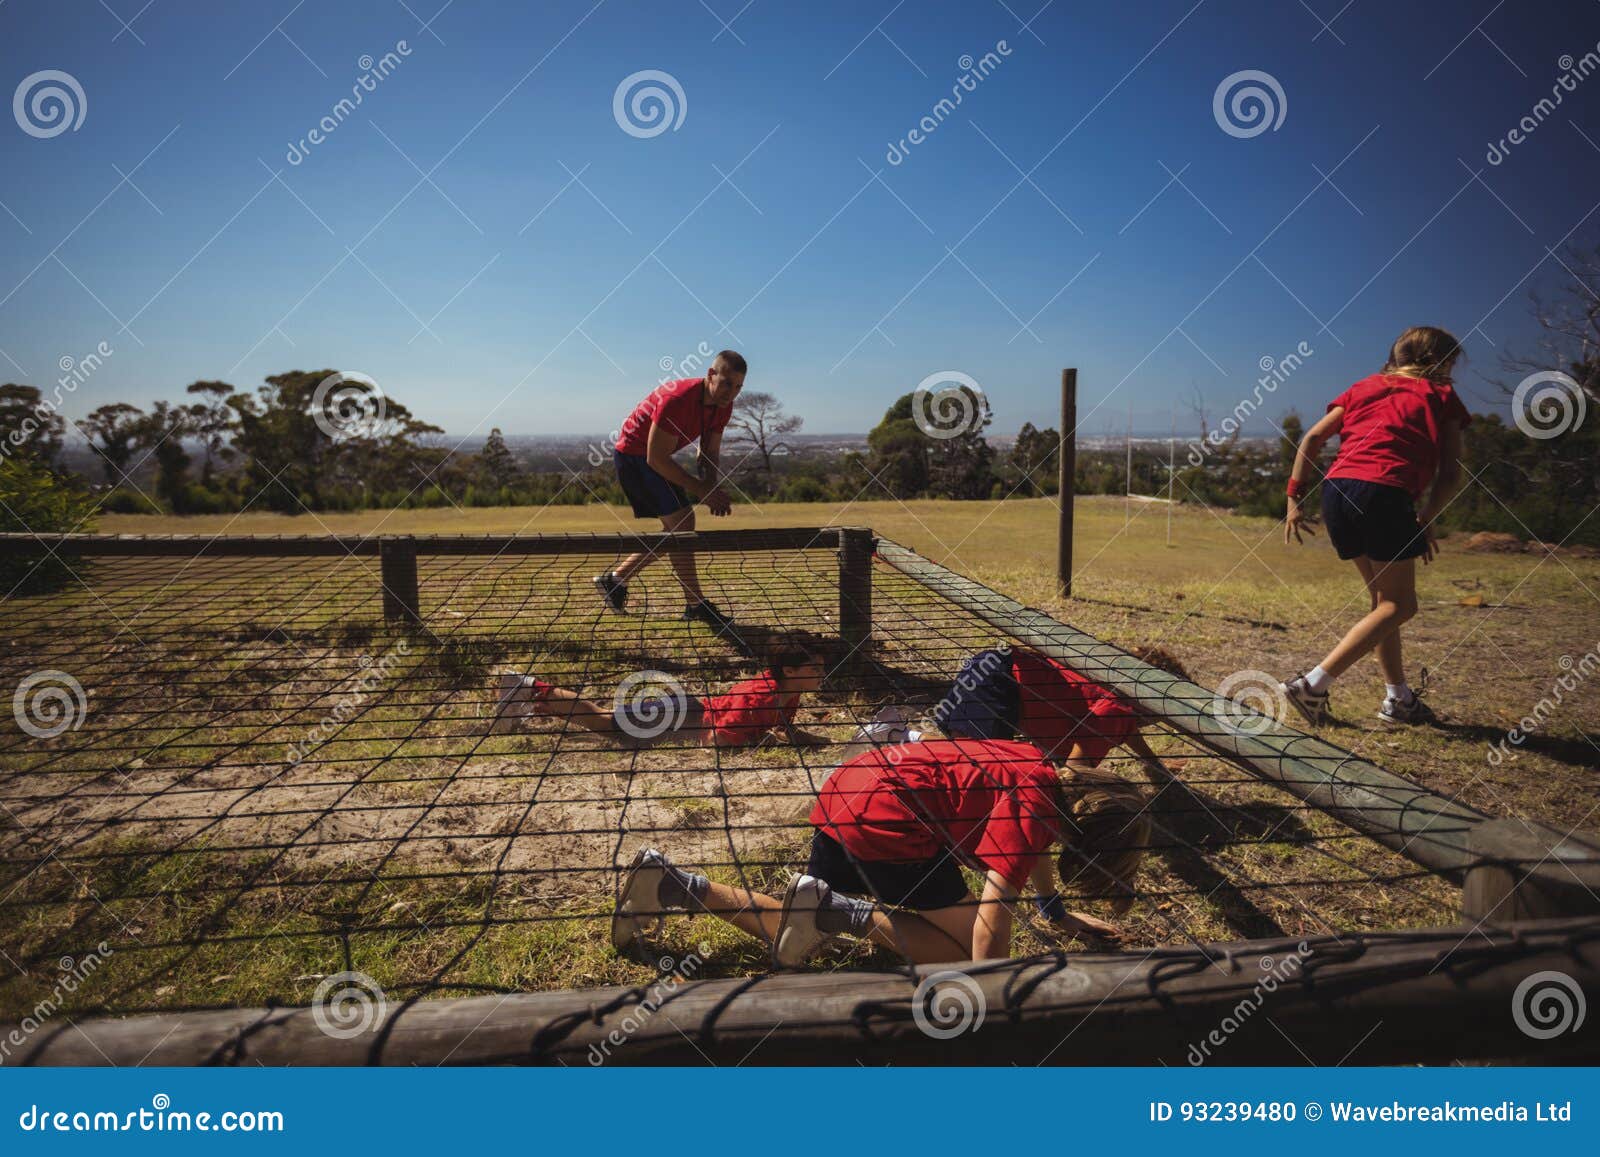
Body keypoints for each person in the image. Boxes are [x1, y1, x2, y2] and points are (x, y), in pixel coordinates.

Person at [611, 738, 1150, 966]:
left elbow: (1034, 854)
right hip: (890, 820)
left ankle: (671, 884)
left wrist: (1054, 912)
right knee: (962, 956)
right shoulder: (1035, 809)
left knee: (796, 919)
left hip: (852, 789)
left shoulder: (1038, 766)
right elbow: (990, 927)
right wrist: (996, 1005)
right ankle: (838, 912)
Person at [1281, 326, 1469, 725]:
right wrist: (1425, 519)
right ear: (1440, 361)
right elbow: (1450, 474)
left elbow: (1313, 437)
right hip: (1383, 494)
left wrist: (1293, 496)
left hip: (1337, 490)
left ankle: (1398, 699)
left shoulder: (1363, 386)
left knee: (1383, 604)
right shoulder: (1442, 397)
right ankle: (1311, 685)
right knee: (1400, 605)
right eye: (1451, 361)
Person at [595, 351, 745, 634]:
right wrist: (702, 491)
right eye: (727, 383)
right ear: (711, 375)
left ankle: (614, 581)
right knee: (683, 525)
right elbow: (656, 458)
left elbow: (710, 451)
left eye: (738, 387)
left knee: (676, 529)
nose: (731, 393)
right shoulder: (677, 399)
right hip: (635, 457)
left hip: (653, 458)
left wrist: (710, 485)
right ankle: (696, 605)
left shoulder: (723, 406)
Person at [492, 650, 830, 747]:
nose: (821, 675)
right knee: (608, 723)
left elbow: (782, 726)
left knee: (609, 720)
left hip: (685, 710)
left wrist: (814, 739)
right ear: (789, 669)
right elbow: (720, 739)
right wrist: (764, 740)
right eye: (814, 668)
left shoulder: (788, 692)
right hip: (682, 713)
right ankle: (530, 687)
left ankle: (531, 697)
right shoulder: (762, 699)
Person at [933, 644, 1178, 776]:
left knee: (962, 755)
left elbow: (1129, 732)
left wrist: (1156, 768)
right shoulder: (1119, 710)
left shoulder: (1113, 693)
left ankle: (909, 743)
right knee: (979, 769)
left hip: (993, 667)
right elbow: (1074, 770)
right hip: (1001, 685)